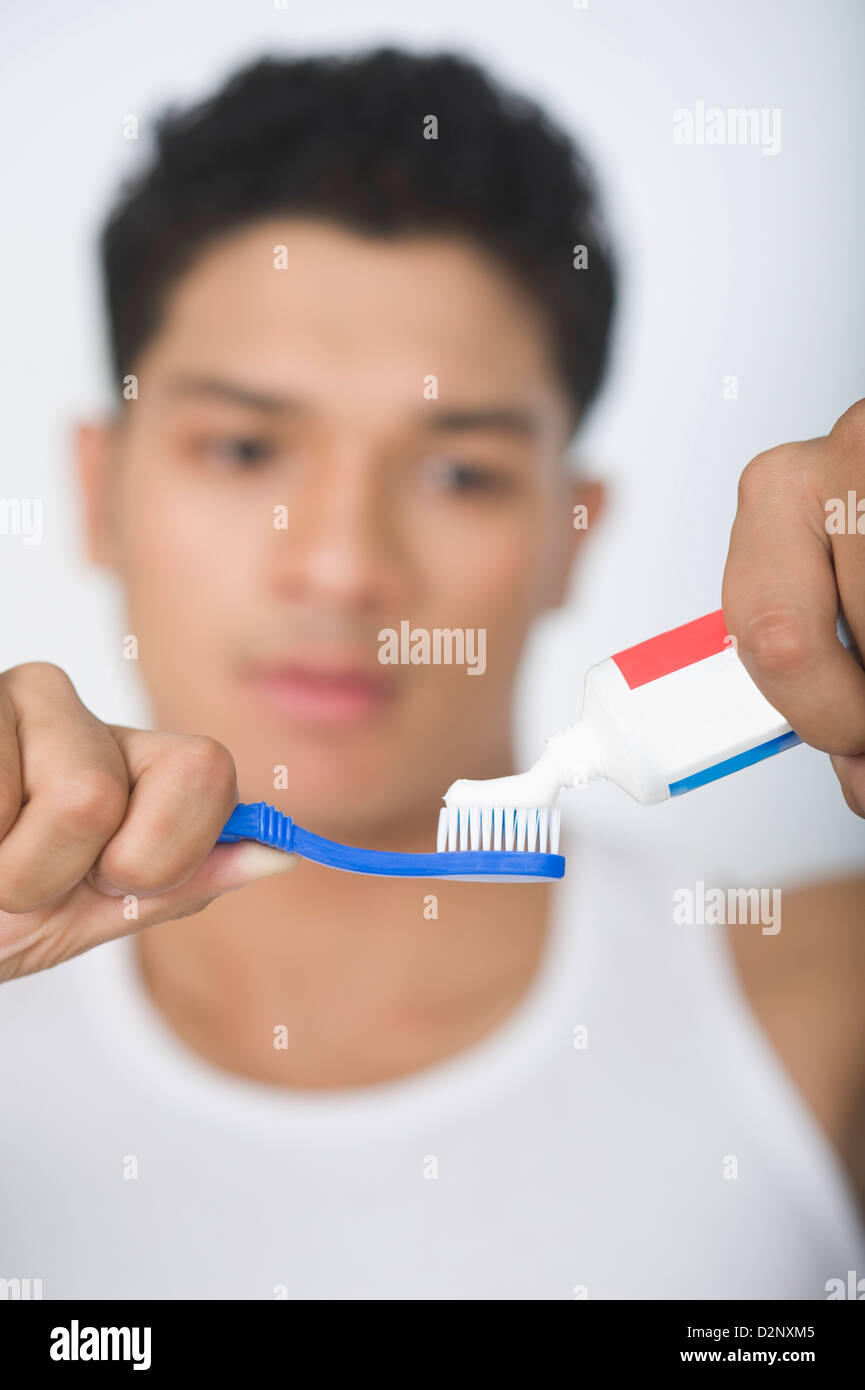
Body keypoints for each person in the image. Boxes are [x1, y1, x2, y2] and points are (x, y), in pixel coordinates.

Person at [0, 47, 863, 1301]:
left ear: (572, 531)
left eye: (459, 471)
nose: (346, 567)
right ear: (99, 493)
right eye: (245, 448)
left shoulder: (823, 992)